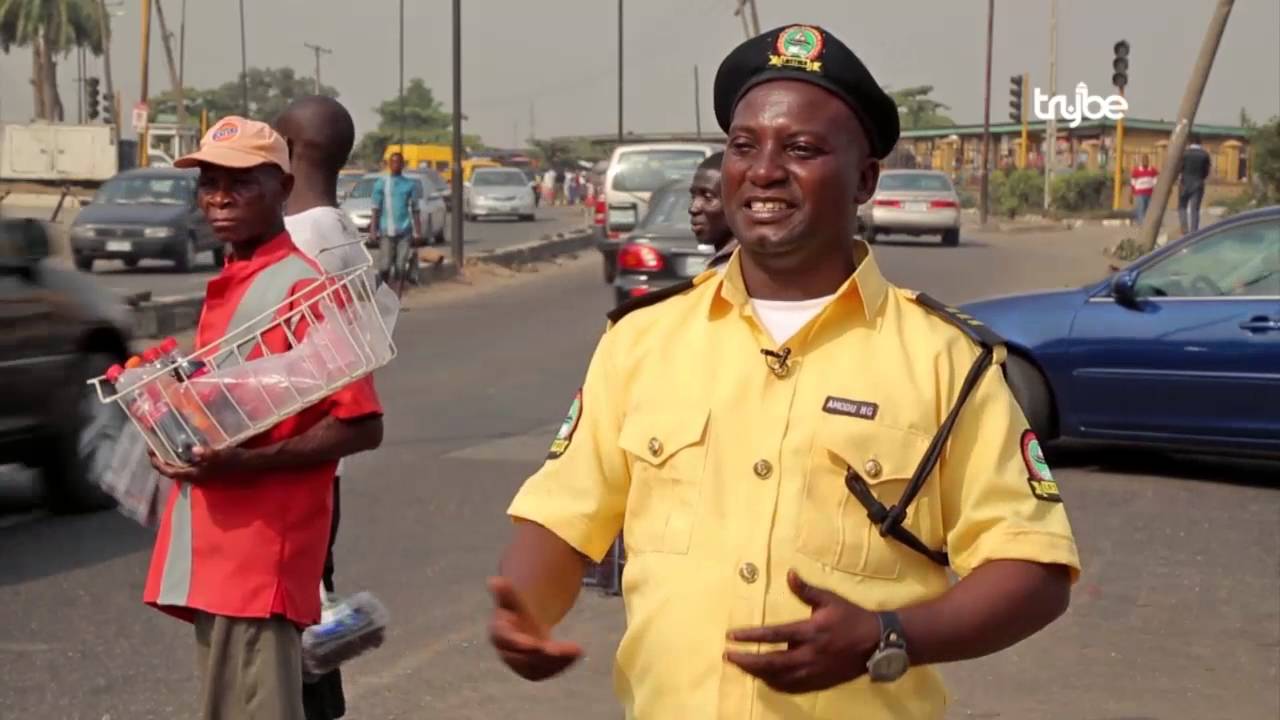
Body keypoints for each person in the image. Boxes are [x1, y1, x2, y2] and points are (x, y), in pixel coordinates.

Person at [488, 24, 1079, 720]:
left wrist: (892, 636)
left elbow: (1033, 565)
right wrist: (526, 610)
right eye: (744, 146)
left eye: (801, 148)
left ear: (864, 179)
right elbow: (564, 517)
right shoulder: (641, 342)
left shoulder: (947, 360)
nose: (763, 170)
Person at [147, 116, 384, 720]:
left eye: (240, 183)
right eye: (208, 182)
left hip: (259, 564)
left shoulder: (306, 289)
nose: (219, 197)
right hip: (221, 556)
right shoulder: (237, 279)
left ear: (282, 187)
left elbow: (361, 423)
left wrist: (247, 462)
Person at [274, 95, 367, 720]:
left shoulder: (296, 243)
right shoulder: (341, 234)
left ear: (288, 153)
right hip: (321, 469)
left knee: (285, 632)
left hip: (290, 464)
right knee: (309, 613)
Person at [369, 152, 422, 285]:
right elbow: (376, 208)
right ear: (389, 164)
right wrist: (373, 229)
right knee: (385, 266)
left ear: (402, 165)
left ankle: (397, 299)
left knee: (400, 267)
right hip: (386, 230)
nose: (395, 165)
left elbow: (415, 209)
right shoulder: (381, 183)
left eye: (398, 162)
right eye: (392, 162)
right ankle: (384, 295)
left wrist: (418, 231)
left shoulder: (409, 185)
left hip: (404, 231)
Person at [689, 151, 737, 269]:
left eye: (708, 197)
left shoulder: (744, 271)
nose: (693, 208)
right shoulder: (724, 264)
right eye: (693, 196)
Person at [1178, 134, 1211, 234]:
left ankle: (1184, 229)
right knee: (1195, 209)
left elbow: (1180, 168)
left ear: (1189, 142)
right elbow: (1207, 171)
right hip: (1198, 183)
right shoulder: (1205, 155)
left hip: (1185, 183)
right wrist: (1201, 178)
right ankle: (1194, 232)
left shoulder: (1184, 154)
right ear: (1200, 142)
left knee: (1182, 206)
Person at [1129, 154, 1157, 227]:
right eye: (1144, 160)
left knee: (1147, 209)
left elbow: (1155, 182)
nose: (1145, 161)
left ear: (1148, 161)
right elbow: (1132, 183)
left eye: (1146, 160)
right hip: (1139, 193)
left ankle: (1142, 222)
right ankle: (1142, 224)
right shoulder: (1137, 171)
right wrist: (1131, 194)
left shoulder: (1152, 170)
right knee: (1141, 208)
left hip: (1150, 193)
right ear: (1141, 161)